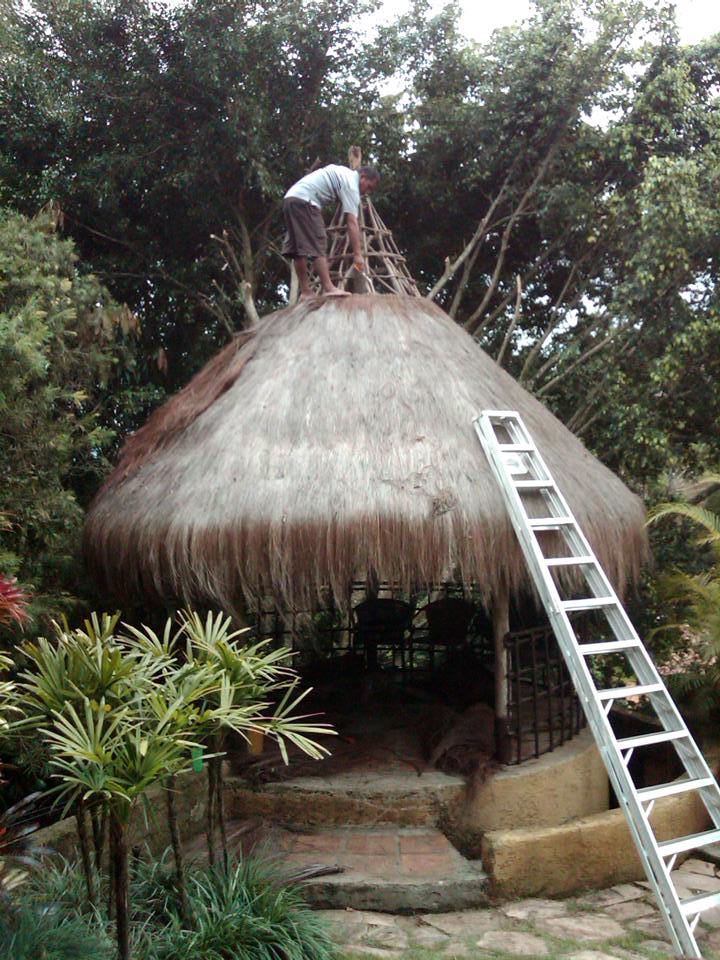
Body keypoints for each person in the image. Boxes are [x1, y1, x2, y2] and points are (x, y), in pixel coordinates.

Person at [282, 163, 380, 300]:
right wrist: (358, 255)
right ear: (362, 177)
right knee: (318, 241)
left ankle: (306, 291)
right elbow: (352, 222)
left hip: (291, 198)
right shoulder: (352, 186)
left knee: (299, 249)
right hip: (306, 202)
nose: (367, 192)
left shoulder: (344, 173)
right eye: (369, 187)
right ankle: (328, 288)